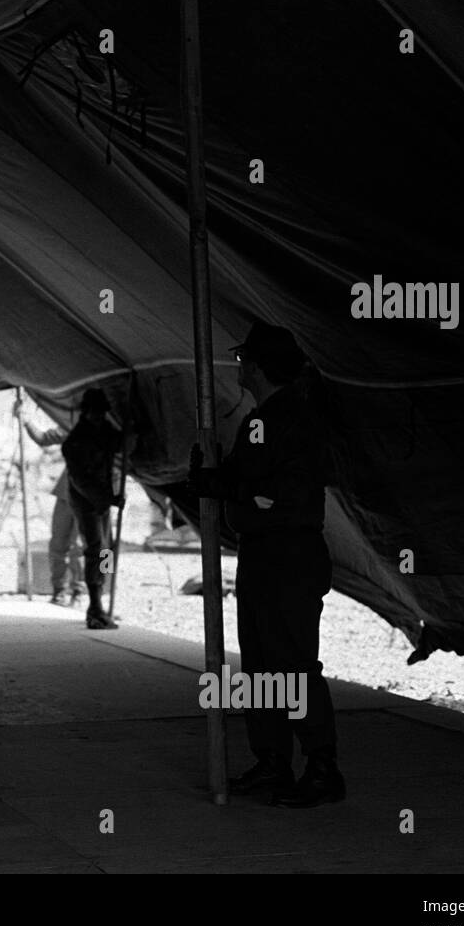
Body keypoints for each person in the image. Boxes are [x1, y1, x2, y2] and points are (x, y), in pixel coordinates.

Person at [186, 320, 342, 807]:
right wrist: (214, 478)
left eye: (244, 360)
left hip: (289, 556)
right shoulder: (264, 417)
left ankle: (322, 768)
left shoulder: (292, 418)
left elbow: (280, 494)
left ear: (259, 367)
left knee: (291, 665)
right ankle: (272, 760)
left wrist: (227, 487)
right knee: (259, 665)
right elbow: (242, 476)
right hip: (262, 555)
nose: (239, 367)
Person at [61, 388, 124, 629]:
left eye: (101, 413)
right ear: (86, 412)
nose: (98, 417)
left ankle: (102, 598)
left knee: (106, 549)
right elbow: (81, 481)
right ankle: (95, 604)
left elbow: (117, 443)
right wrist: (108, 499)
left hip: (103, 499)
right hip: (86, 501)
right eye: (94, 413)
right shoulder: (75, 442)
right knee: (95, 549)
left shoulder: (103, 430)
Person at [19, 406, 84, 607]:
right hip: (68, 492)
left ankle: (87, 589)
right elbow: (43, 438)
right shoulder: (72, 428)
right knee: (58, 544)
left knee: (93, 548)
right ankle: (60, 590)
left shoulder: (112, 433)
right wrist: (25, 419)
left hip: (96, 498)